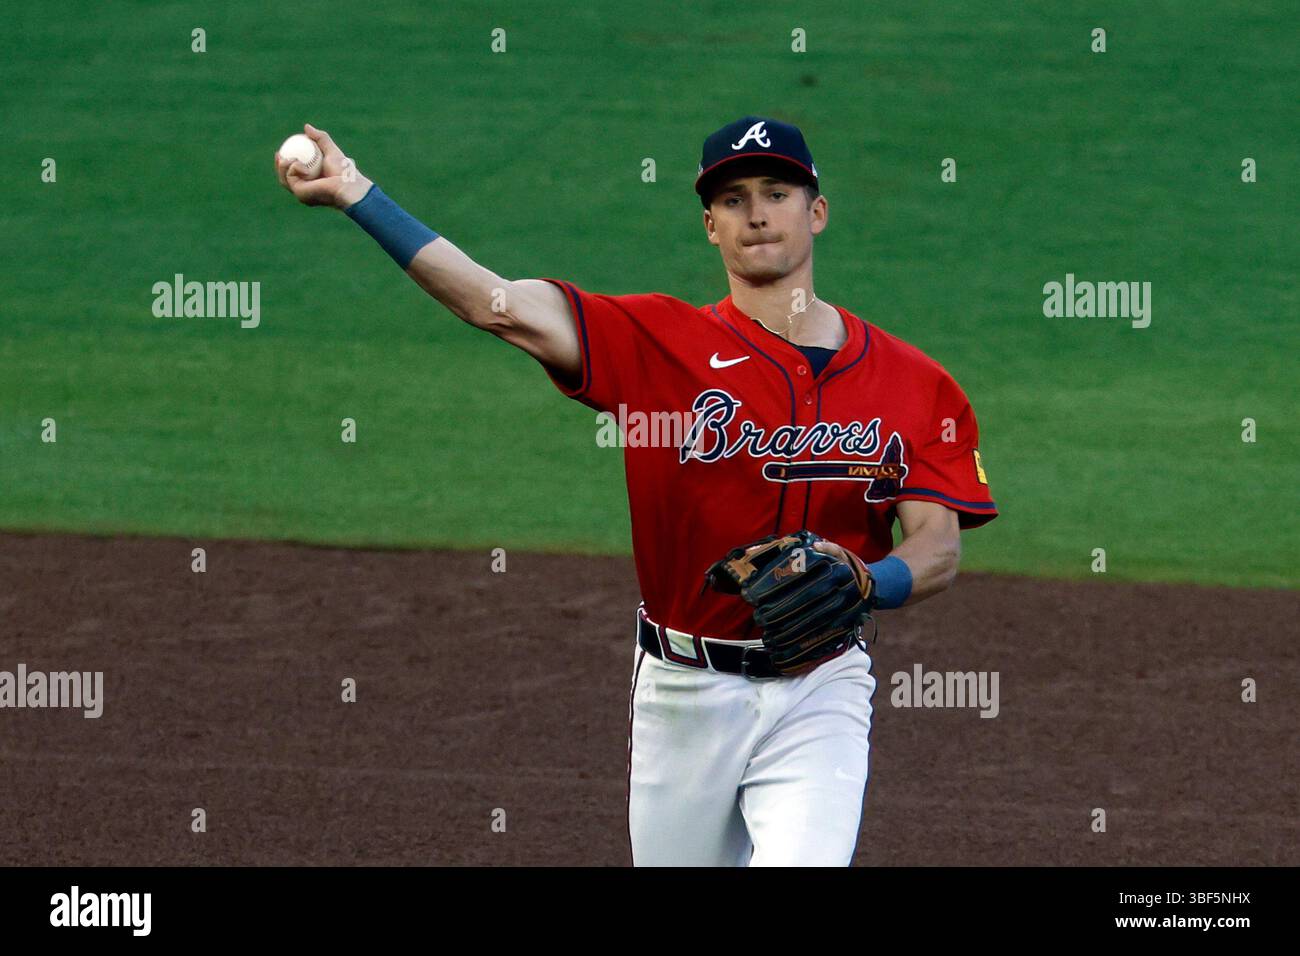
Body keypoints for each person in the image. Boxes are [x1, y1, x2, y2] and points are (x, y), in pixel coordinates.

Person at [274, 114, 998, 866]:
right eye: (734, 199)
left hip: (822, 687)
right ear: (710, 226)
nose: (756, 213)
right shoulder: (655, 341)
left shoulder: (915, 383)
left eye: (777, 193)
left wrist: (869, 580)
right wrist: (357, 193)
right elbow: (495, 303)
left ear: (816, 212)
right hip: (683, 692)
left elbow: (937, 546)